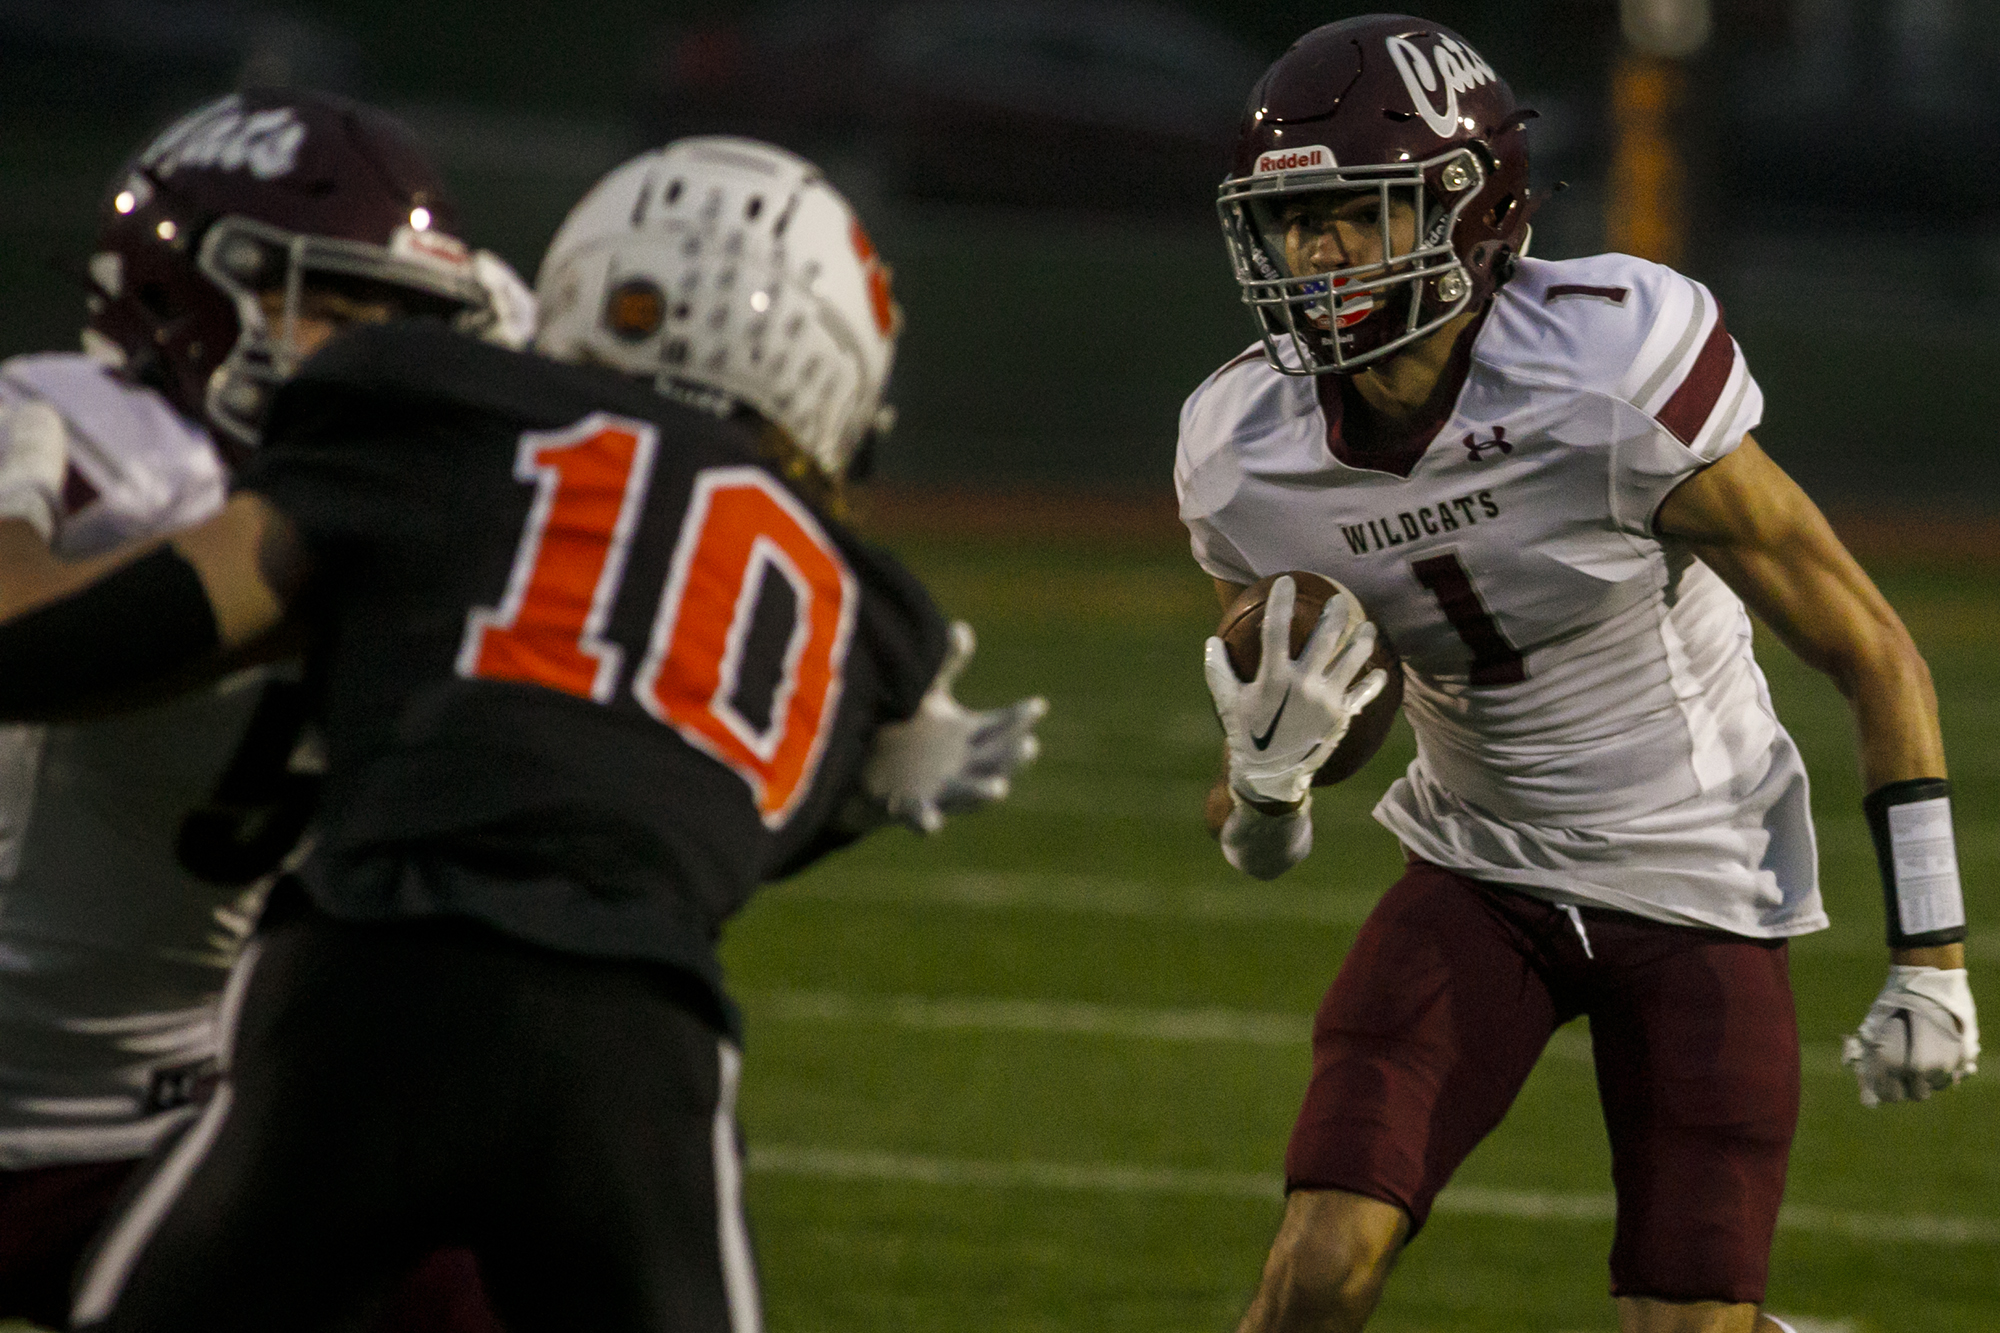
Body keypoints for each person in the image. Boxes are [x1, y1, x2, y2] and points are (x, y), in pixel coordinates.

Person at [0, 133, 1044, 1333]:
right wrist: (842, 799)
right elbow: (649, 832)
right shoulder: (869, 607)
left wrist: (18, 515)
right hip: (634, 1034)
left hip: (360, 978)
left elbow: (69, 644)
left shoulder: (439, 418)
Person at [1177, 16, 1978, 1333]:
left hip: (1701, 876)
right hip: (1476, 872)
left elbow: (1870, 646)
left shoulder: (1607, 372)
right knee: (1318, 1268)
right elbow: (1268, 764)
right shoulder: (1244, 452)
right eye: (1295, 222)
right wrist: (1266, 799)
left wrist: (1930, 956)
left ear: (1467, 204)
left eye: (1354, 215)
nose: (1315, 255)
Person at [0, 88, 534, 1332]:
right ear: (181, 291)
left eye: (402, 322)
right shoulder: (69, 427)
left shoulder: (407, 502)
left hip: (173, 1123)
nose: (371, 357)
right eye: (331, 305)